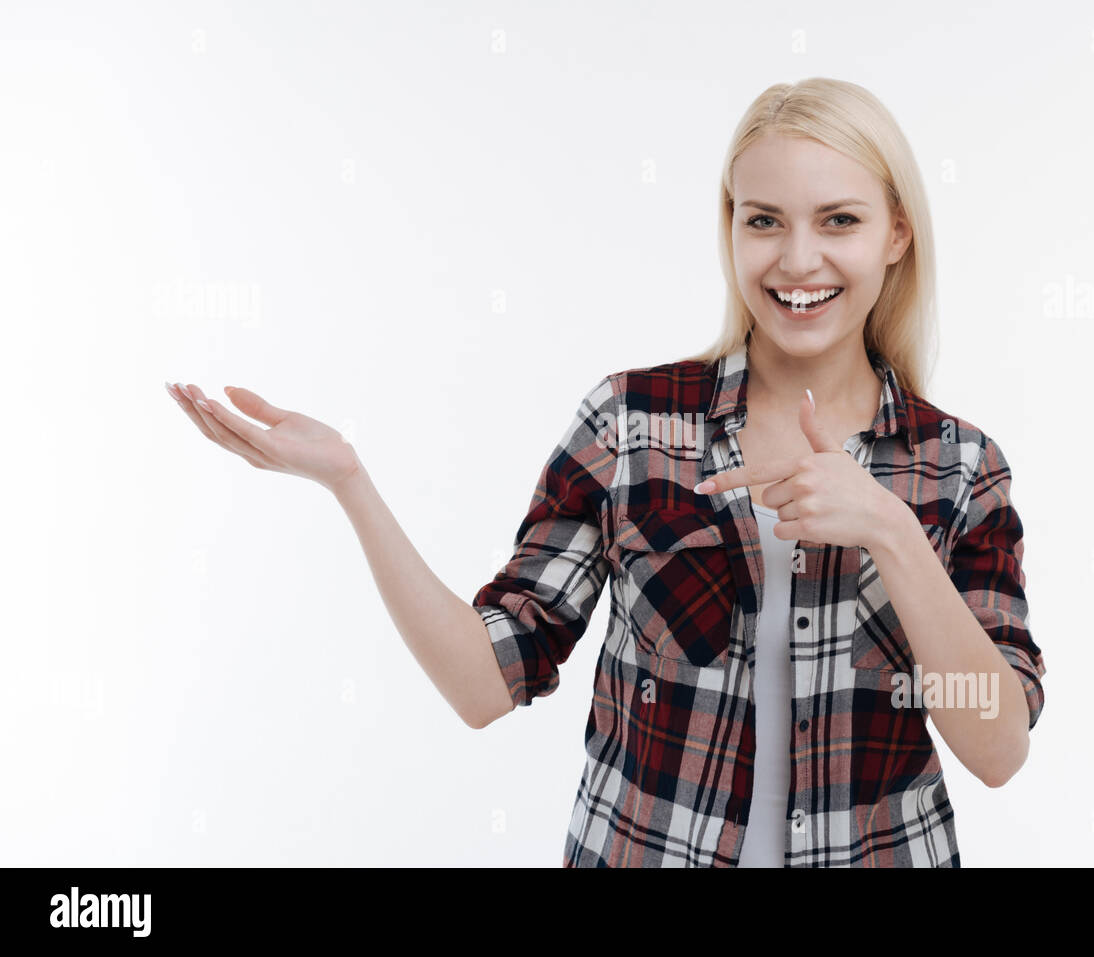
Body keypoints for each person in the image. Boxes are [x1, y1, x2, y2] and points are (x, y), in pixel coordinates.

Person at [165, 77, 1046, 868]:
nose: (797, 260)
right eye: (764, 219)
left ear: (897, 234)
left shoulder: (959, 465)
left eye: (839, 220)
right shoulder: (631, 422)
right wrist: (349, 481)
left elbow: (998, 746)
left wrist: (890, 528)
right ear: (730, 228)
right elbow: (483, 683)